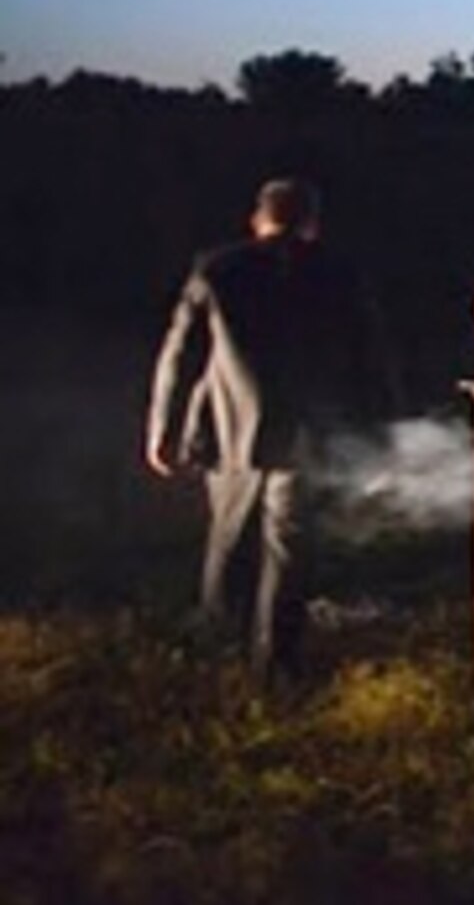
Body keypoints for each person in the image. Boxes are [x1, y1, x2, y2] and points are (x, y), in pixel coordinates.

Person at [143, 176, 398, 678]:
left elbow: (180, 355)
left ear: (258, 219)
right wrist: (385, 429)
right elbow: (371, 356)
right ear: (311, 223)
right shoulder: (338, 272)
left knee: (228, 535)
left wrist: (162, 428)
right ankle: (275, 663)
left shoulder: (217, 269)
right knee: (288, 548)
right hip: (306, 429)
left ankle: (218, 647)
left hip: (229, 427)